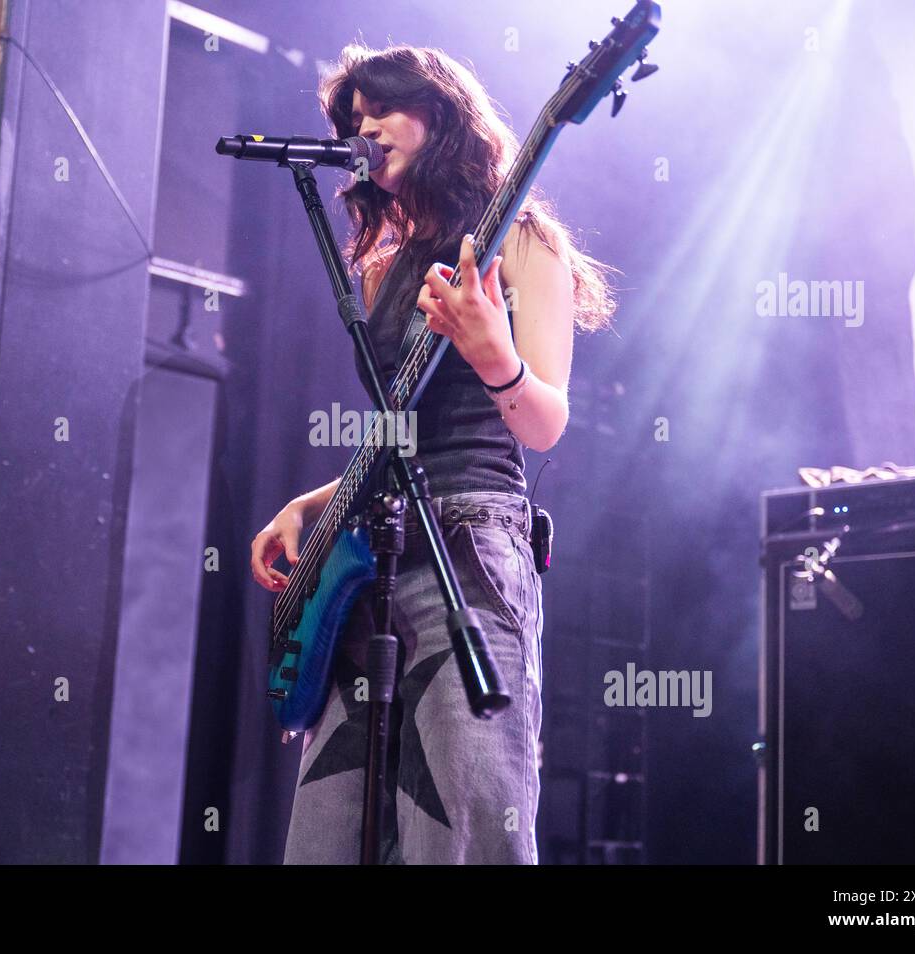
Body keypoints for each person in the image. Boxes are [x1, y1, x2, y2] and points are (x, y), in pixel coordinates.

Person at [249, 42, 614, 864]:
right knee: (327, 835)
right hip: (374, 555)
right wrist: (311, 505)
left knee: (466, 825)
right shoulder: (382, 271)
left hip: (470, 548)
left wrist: (495, 355)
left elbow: (545, 423)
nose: (367, 128)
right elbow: (402, 436)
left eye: (383, 108)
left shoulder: (524, 243)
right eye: (354, 119)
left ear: (441, 113)